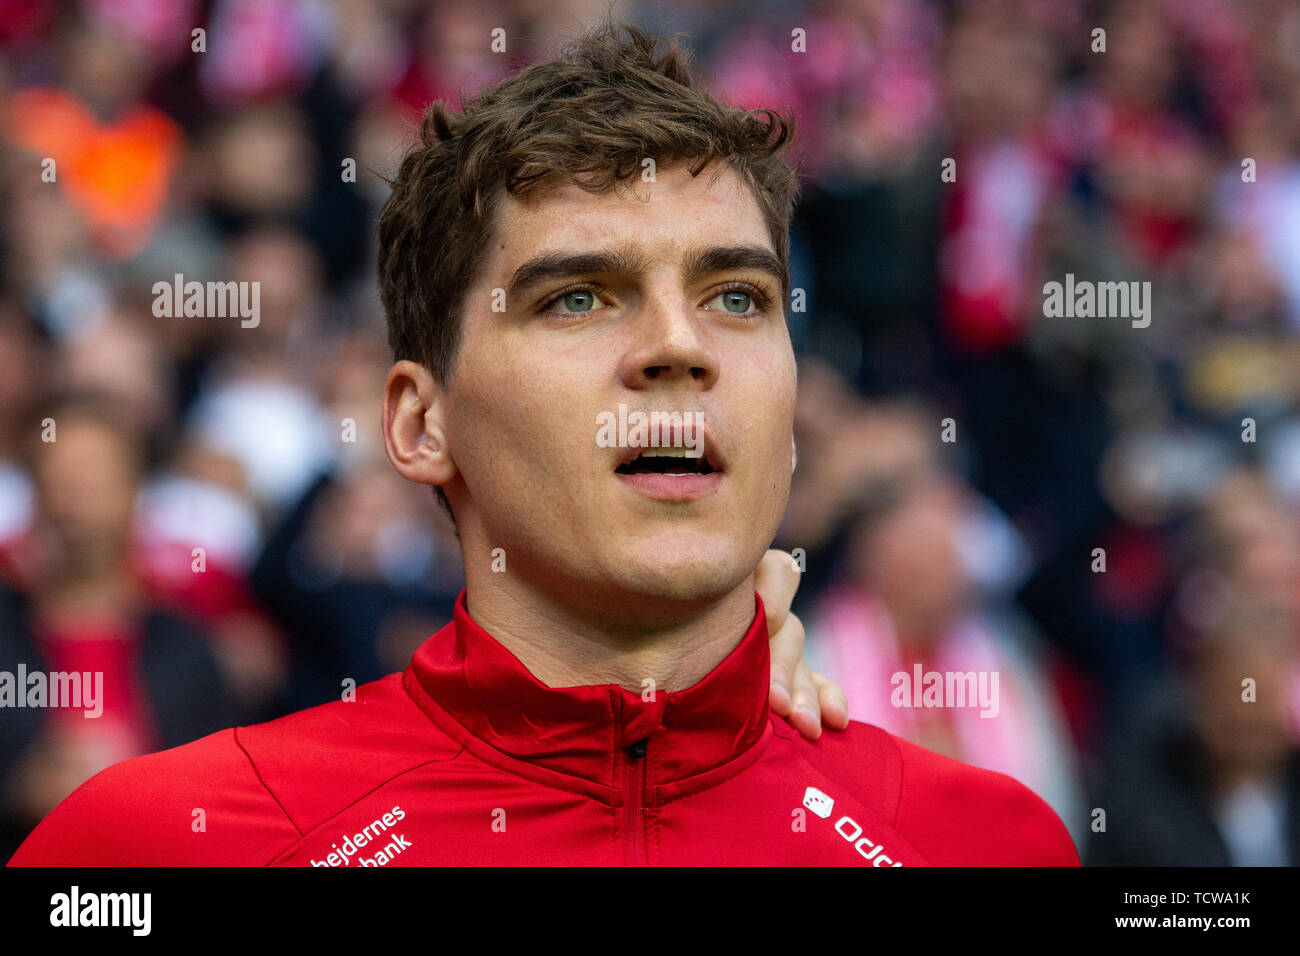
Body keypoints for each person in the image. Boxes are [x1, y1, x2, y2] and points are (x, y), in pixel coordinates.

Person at [9, 24, 1077, 866]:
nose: (678, 345)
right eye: (577, 296)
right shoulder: (152, 848)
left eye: (738, 295)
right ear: (421, 424)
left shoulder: (991, 843)